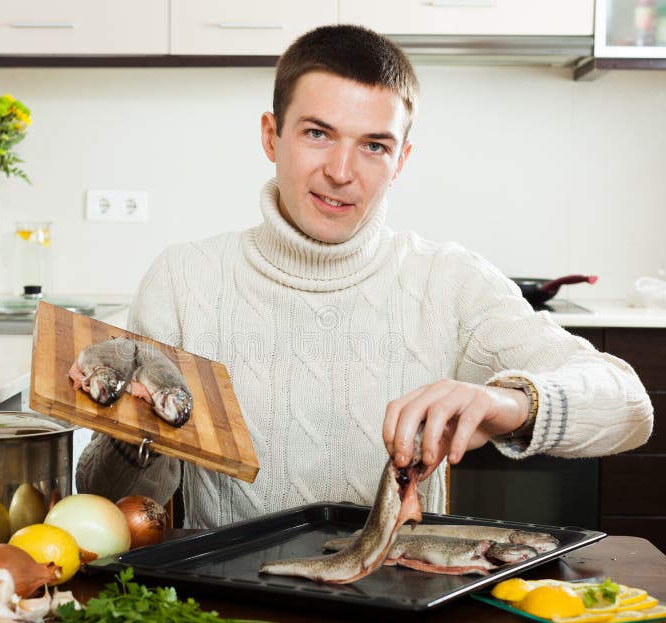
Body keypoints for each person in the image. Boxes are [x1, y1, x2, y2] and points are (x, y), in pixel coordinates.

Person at [76, 24, 652, 528]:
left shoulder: (447, 281)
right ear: (270, 135)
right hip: (233, 614)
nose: (340, 172)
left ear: (400, 159)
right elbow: (111, 504)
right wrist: (138, 436)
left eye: (373, 145)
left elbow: (629, 407)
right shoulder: (184, 280)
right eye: (317, 133)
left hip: (402, 606)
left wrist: (515, 402)